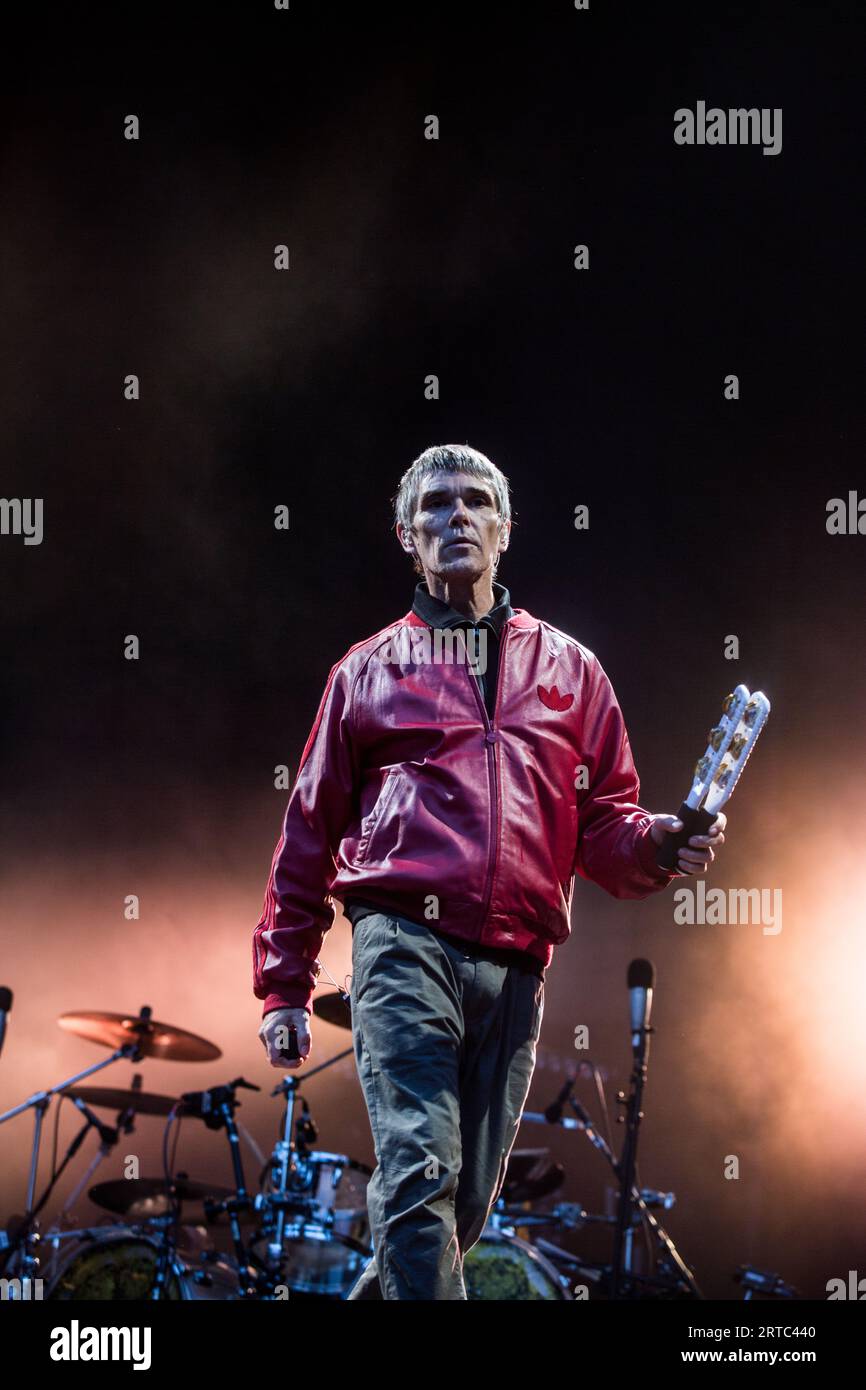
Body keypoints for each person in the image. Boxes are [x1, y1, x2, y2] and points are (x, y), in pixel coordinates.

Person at [254, 443, 726, 1300]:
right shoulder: (364, 674)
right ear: (407, 534)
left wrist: (659, 842)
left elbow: (607, 828)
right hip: (403, 946)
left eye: (475, 502)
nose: (456, 517)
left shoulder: (570, 672)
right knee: (421, 1173)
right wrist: (284, 986)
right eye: (434, 505)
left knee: (455, 1205)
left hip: (516, 963)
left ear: (504, 530)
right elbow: (307, 837)